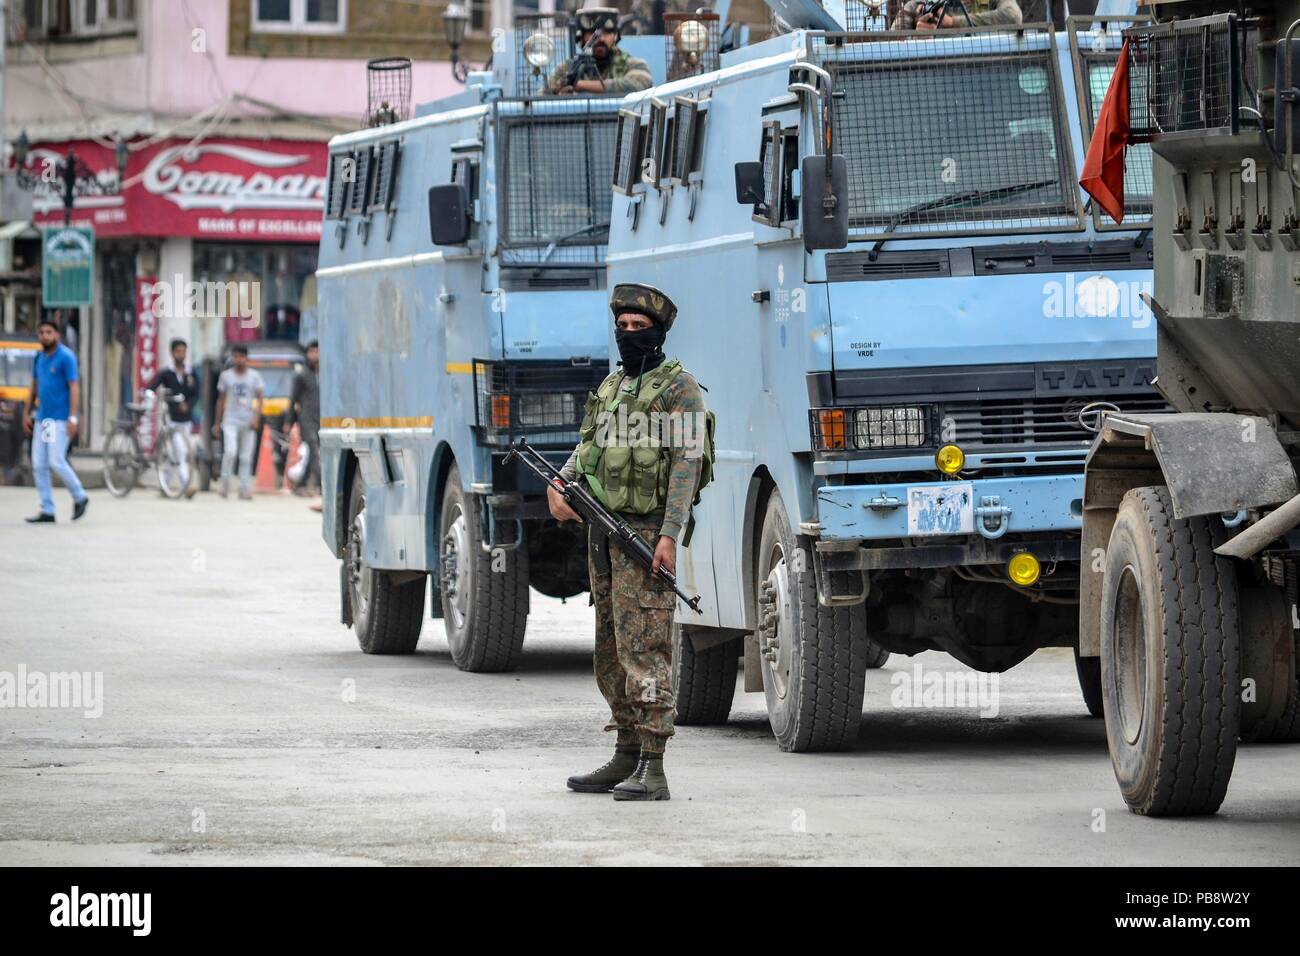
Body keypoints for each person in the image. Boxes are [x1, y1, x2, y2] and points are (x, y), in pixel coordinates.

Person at [550, 283, 709, 802]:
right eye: (623, 327)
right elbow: (589, 447)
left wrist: (669, 536)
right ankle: (624, 752)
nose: (629, 335)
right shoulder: (614, 386)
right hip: (604, 536)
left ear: (659, 333)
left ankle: (654, 765)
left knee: (647, 649)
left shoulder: (679, 388)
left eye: (640, 328)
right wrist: (560, 481)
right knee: (611, 651)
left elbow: (687, 463)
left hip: (644, 537)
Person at [23, 318, 88, 523]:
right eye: (41, 332)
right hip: (43, 418)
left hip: (59, 419)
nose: (45, 336)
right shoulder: (39, 357)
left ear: (57, 335)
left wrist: (73, 418)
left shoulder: (66, 357)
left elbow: (74, 387)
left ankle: (80, 496)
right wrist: (26, 412)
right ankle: (48, 509)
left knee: (56, 461)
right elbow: (33, 386)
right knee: (39, 464)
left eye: (49, 332)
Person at [546, 7, 652, 96]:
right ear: (581, 38)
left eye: (606, 33)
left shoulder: (632, 64)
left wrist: (579, 85)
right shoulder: (567, 69)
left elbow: (640, 84)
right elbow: (543, 96)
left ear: (615, 36)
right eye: (592, 34)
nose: (601, 39)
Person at [146, 338, 201, 498]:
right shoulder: (166, 373)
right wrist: (149, 396)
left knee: (174, 455)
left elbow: (196, 394)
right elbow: (151, 387)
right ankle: (186, 484)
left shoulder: (190, 373)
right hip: (172, 420)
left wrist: (188, 405)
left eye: (184, 351)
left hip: (187, 420)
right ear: (172, 352)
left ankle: (165, 484)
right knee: (180, 452)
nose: (181, 354)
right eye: (178, 351)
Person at [213, 345, 264, 501]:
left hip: (248, 420)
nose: (238, 359)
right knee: (230, 451)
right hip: (230, 420)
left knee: (246, 456)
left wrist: (256, 418)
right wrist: (217, 423)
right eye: (235, 356)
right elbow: (220, 400)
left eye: (241, 356)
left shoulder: (254, 376)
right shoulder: (226, 376)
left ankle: (244, 488)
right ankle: (225, 483)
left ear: (246, 358)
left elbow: (260, 398)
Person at [285, 340, 321, 497]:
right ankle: (322, 486)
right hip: (306, 420)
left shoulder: (328, 374)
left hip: (324, 420)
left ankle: (300, 484)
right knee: (313, 450)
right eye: (312, 351)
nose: (315, 355)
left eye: (317, 351)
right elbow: (293, 400)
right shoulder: (302, 375)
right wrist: (288, 421)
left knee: (314, 453)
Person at [891, 0, 1022, 29]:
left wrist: (953, 22)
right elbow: (887, 48)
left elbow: (1013, 16)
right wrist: (916, 42)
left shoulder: (993, 2)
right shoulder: (917, 7)